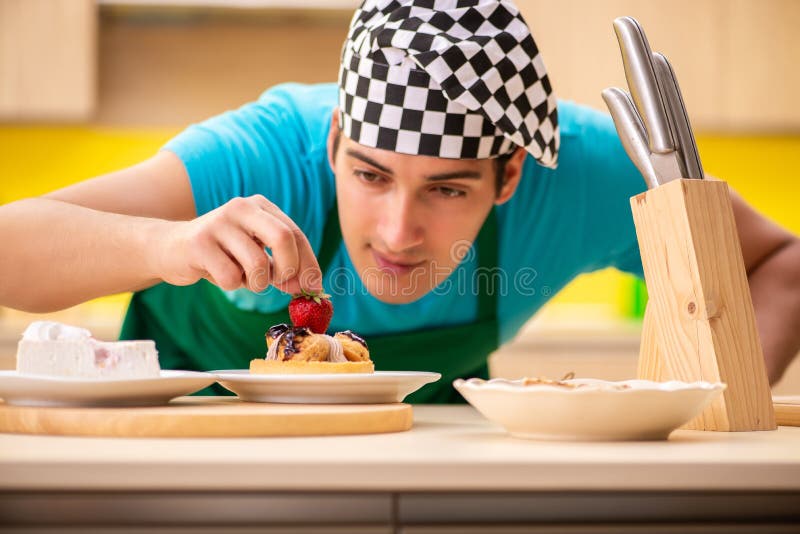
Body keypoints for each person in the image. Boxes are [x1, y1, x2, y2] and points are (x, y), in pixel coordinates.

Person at [1, 0, 798, 401]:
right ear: (337, 138)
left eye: (448, 189)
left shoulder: (587, 171)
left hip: (428, 449)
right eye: (371, 173)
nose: (397, 231)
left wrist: (705, 421)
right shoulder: (266, 151)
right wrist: (163, 246)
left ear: (510, 175)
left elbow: (781, 263)